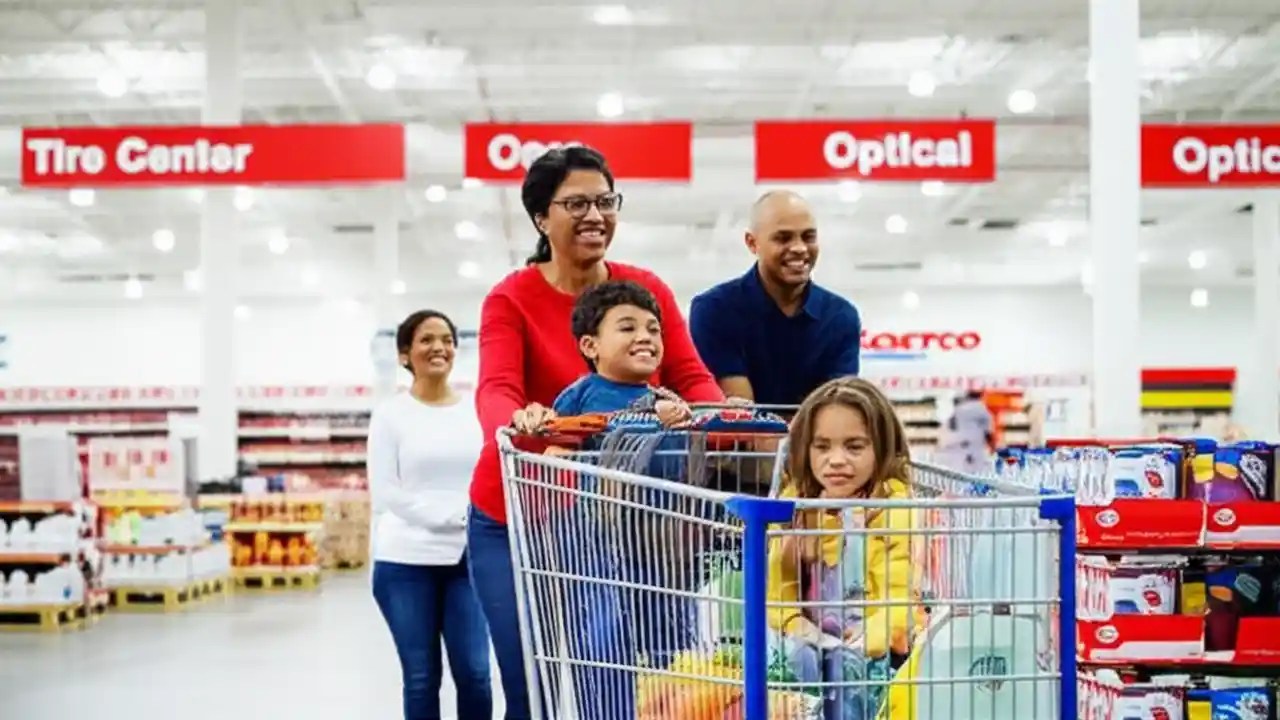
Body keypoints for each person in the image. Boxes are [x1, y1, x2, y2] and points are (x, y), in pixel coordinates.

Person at [466, 145, 724, 720]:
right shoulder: (510, 299)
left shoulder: (641, 290)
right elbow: (496, 387)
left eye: (605, 201)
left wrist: (721, 415)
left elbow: (689, 375)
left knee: (625, 678)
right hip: (522, 511)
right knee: (528, 679)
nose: (595, 214)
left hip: (623, 521)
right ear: (541, 218)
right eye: (576, 202)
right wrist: (520, 423)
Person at [766, 377, 919, 720]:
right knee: (795, 660)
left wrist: (871, 638)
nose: (836, 460)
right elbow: (778, 594)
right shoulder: (793, 504)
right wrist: (804, 527)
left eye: (854, 446)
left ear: (881, 449)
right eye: (822, 447)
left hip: (873, 649)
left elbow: (899, 592)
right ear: (805, 450)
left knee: (849, 672)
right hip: (809, 642)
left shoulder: (892, 507)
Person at [366, 310, 492, 720]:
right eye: (426, 340)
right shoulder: (391, 414)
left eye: (446, 340)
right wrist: (451, 516)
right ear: (405, 354)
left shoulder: (476, 409)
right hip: (405, 561)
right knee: (421, 676)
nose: (439, 347)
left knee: (474, 672)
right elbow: (386, 491)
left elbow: (488, 474)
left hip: (466, 562)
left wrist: (471, 521)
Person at [690, 189, 863, 407]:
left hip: (813, 440)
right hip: (750, 440)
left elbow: (836, 410)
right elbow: (743, 420)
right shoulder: (715, 310)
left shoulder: (840, 317)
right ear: (752, 243)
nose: (800, 248)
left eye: (808, 237)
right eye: (783, 238)